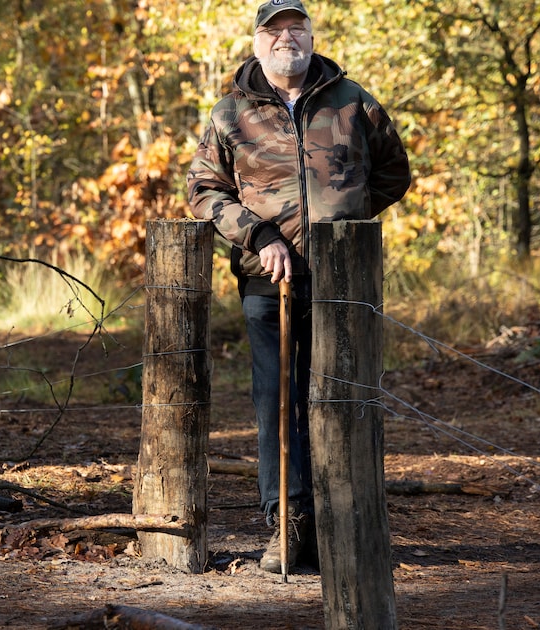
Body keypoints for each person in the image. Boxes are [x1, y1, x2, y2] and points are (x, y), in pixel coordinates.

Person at [186, 0, 411, 573]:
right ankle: (288, 523)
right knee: (279, 403)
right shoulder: (230, 112)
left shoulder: (353, 100)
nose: (287, 38)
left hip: (345, 282)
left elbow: (394, 172)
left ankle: (348, 524)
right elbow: (204, 191)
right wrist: (260, 234)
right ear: (257, 42)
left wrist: (348, 224)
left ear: (311, 37)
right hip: (270, 283)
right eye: (274, 31)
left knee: (345, 398)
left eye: (297, 29)